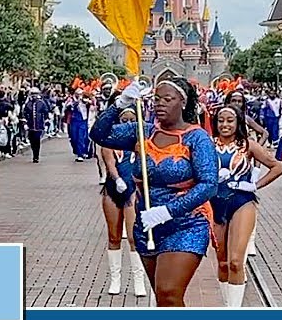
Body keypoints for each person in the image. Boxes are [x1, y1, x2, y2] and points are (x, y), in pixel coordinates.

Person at [90, 78, 218, 307]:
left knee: (169, 292)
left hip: (186, 224)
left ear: (183, 102)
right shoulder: (143, 131)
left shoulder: (197, 138)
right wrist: (120, 103)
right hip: (146, 225)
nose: (160, 104)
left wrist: (169, 211)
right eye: (156, 99)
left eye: (168, 99)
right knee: (163, 299)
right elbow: (99, 134)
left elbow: (208, 184)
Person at [210, 105, 282, 306]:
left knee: (235, 261)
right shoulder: (207, 145)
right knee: (223, 262)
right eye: (221, 120)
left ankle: (235, 314)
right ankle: (227, 306)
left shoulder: (248, 145)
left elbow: (277, 167)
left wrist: (254, 185)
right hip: (215, 204)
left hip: (242, 202)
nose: (225, 124)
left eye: (230, 120)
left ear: (238, 123)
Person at [98, 107, 147, 297]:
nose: (127, 124)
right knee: (114, 236)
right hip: (113, 189)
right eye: (123, 120)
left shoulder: (140, 142)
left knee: (134, 237)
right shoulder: (109, 142)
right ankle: (115, 279)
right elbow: (109, 163)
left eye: (131, 121)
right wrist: (116, 179)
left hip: (133, 191)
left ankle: (138, 280)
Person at [22, 87, 49, 162]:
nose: (34, 96)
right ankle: (34, 153)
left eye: (35, 94)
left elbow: (46, 114)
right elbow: (24, 114)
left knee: (37, 140)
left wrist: (46, 125)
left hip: (39, 125)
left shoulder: (42, 103)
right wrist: (25, 124)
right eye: (33, 94)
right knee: (32, 141)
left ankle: (36, 156)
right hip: (30, 126)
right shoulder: (28, 104)